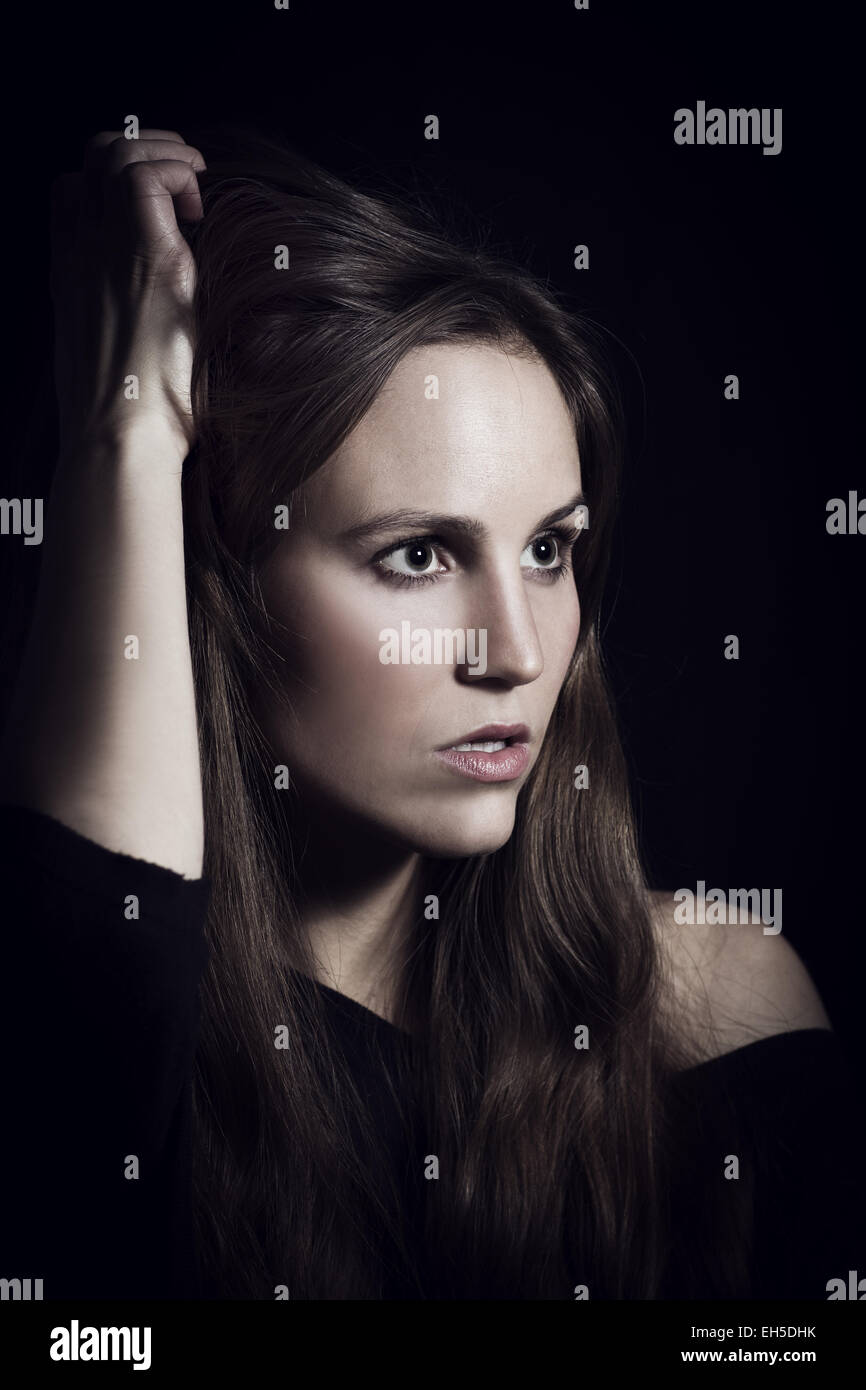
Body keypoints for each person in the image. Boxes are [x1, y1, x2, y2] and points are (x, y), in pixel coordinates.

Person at [0, 127, 861, 1302]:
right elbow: (85, 1036)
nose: (515, 652)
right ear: (218, 579)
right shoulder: (90, 1030)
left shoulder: (704, 1014)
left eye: (550, 550)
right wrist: (130, 431)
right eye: (416, 553)